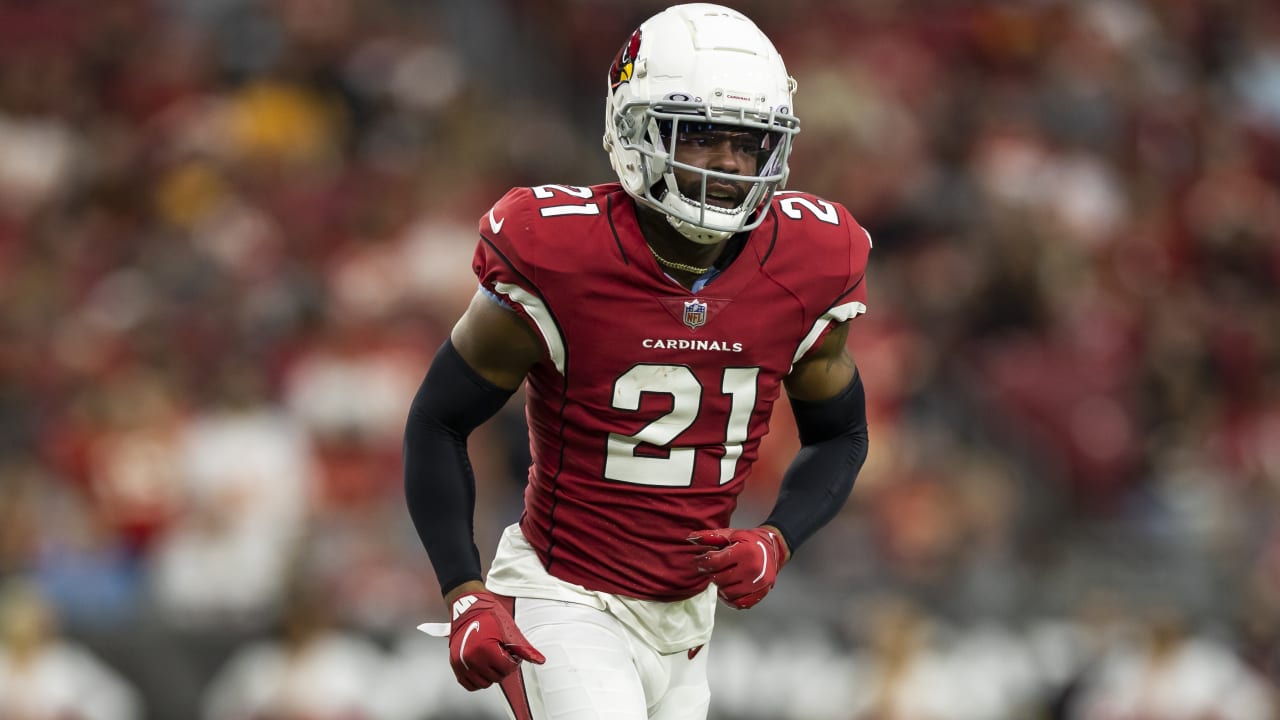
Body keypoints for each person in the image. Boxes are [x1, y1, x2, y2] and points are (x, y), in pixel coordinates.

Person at [403, 4, 872, 718]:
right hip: (567, 595)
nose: (725, 164)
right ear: (635, 128)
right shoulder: (558, 253)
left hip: (686, 624)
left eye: (747, 143)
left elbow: (841, 432)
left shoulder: (811, 261)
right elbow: (438, 421)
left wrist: (779, 537)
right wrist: (465, 591)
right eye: (702, 136)